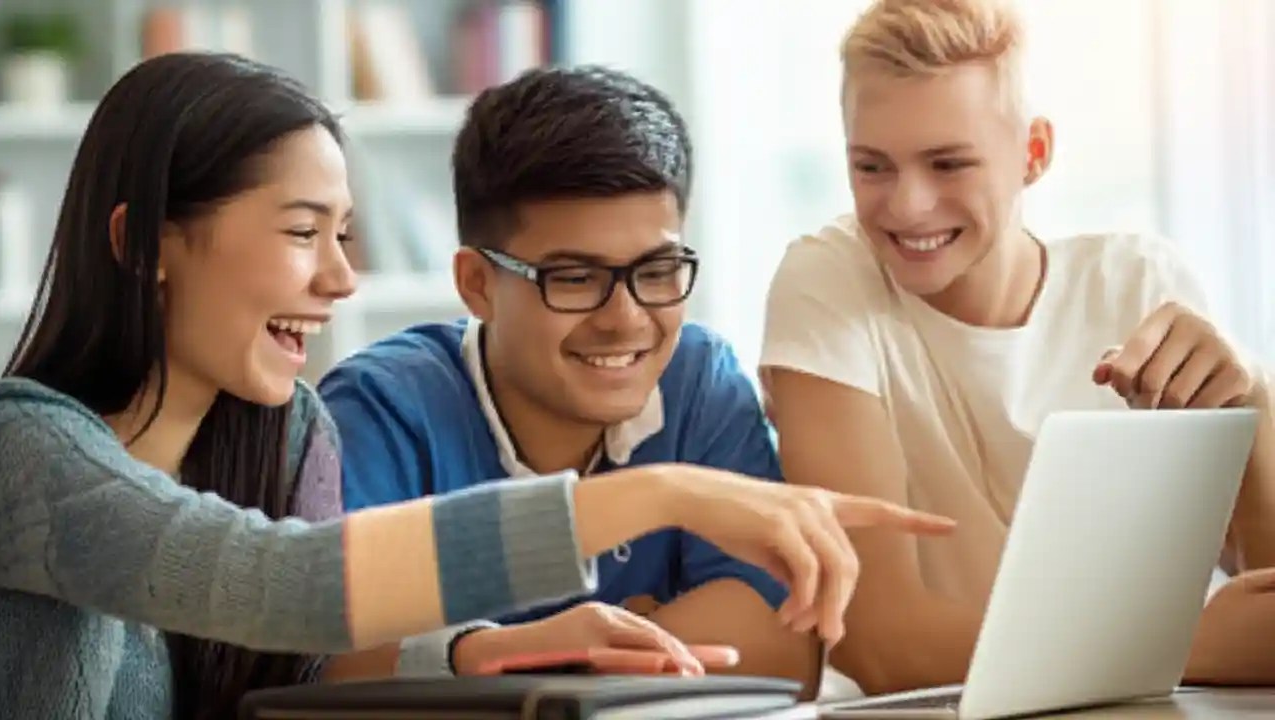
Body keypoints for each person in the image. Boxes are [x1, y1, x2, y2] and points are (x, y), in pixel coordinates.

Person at [0, 51, 956, 720]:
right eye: (301, 234)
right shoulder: (25, 451)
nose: (340, 281)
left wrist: (473, 653)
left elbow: (306, 670)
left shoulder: (281, 442)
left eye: (344, 236)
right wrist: (656, 496)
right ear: (142, 245)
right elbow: (284, 585)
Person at [314, 65, 917, 693]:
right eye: (574, 279)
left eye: (657, 271)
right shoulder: (383, 407)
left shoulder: (696, 381)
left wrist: (528, 659)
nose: (624, 319)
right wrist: (598, 643)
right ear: (476, 285)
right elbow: (326, 662)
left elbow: (781, 641)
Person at [759, 0, 1275, 696]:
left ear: (1033, 153)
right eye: (872, 166)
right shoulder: (828, 283)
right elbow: (879, 644)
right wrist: (1184, 643)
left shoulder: (1139, 283)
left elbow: (1263, 592)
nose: (907, 206)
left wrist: (1254, 399)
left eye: (948, 164)